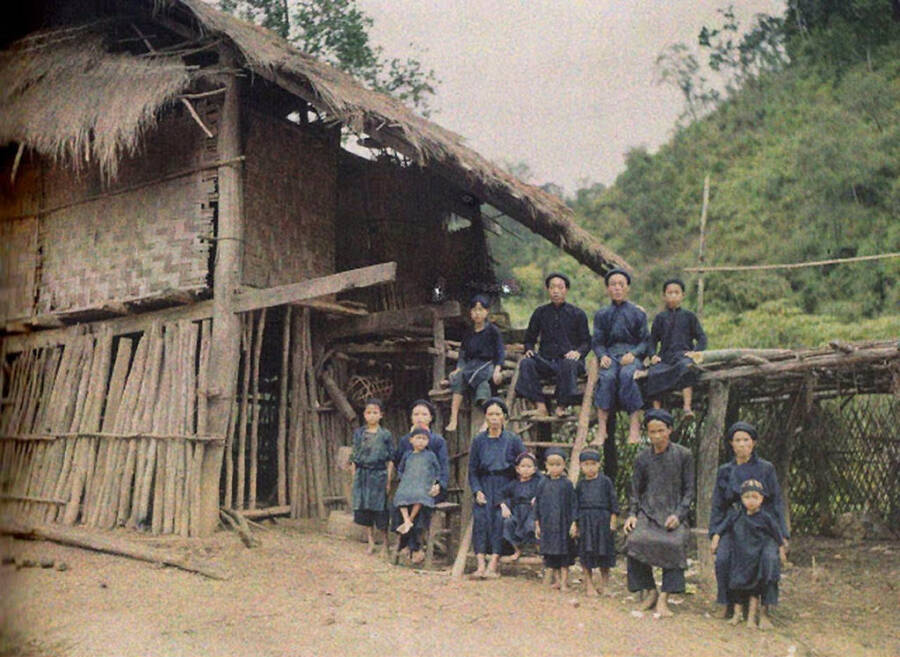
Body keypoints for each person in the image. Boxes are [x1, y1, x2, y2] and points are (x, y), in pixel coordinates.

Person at [709, 421, 789, 620]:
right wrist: (716, 533)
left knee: (769, 558)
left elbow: (777, 502)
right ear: (731, 444)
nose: (742, 444)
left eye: (746, 440)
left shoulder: (766, 469)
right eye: (737, 440)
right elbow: (718, 505)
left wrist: (782, 535)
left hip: (762, 524)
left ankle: (765, 608)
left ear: (753, 443)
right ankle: (726, 602)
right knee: (724, 558)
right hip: (735, 523)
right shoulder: (725, 471)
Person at [623, 409, 694, 617]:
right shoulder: (642, 457)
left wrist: (679, 515)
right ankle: (650, 591)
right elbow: (636, 490)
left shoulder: (684, 455)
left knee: (675, 543)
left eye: (660, 431)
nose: (656, 436)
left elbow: (689, 491)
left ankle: (664, 598)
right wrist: (633, 514)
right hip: (649, 512)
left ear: (669, 430)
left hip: (673, 512)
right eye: (652, 432)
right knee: (634, 540)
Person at [515, 272, 590, 418]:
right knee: (527, 363)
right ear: (548, 290)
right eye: (552, 287)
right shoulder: (540, 313)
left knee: (568, 364)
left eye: (560, 287)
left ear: (566, 290)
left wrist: (578, 352)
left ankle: (561, 407)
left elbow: (587, 342)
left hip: (570, 363)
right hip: (546, 362)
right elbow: (529, 339)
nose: (556, 291)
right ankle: (540, 406)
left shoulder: (578, 314)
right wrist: (529, 349)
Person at [715, 478, 786, 630]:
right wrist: (716, 537)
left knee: (754, 589)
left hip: (755, 557)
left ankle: (752, 618)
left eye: (755, 497)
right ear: (741, 498)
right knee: (737, 587)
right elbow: (722, 527)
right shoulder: (736, 515)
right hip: (740, 558)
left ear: (762, 499)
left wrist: (781, 548)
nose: (751, 501)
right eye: (747, 497)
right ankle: (737, 614)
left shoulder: (766, 517)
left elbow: (777, 533)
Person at [592, 268, 650, 445]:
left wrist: (633, 354)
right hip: (611, 355)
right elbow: (597, 341)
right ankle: (602, 431)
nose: (617, 288)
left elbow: (646, 341)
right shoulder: (602, 314)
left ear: (627, 288)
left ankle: (634, 428)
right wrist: (602, 355)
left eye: (621, 285)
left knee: (627, 376)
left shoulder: (638, 313)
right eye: (613, 285)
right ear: (607, 289)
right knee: (606, 377)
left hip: (631, 356)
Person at [468, 397, 525, 578]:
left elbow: (524, 464)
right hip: (484, 484)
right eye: (490, 414)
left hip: (505, 485)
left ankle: (493, 564)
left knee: (500, 520)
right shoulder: (479, 441)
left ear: (504, 418)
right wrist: (477, 490)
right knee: (481, 520)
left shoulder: (512, 440)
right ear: (485, 417)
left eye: (497, 414)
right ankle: (480, 565)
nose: (494, 417)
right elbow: (472, 470)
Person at [393, 400, 450, 564]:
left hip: (431, 488)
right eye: (416, 414)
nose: (420, 418)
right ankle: (406, 543)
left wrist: (439, 484)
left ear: (431, 418)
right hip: (410, 486)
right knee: (401, 502)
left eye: (424, 414)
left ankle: (414, 546)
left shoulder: (437, 441)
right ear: (411, 418)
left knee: (422, 502)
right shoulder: (406, 441)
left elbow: (444, 467)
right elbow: (399, 463)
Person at [645, 278, 707, 415]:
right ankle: (657, 412)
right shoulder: (660, 318)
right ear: (664, 296)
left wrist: (695, 353)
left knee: (687, 367)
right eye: (669, 293)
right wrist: (653, 355)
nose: (673, 295)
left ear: (682, 295)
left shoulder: (689, 316)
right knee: (654, 373)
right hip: (665, 358)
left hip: (683, 356)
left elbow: (702, 338)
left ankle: (687, 407)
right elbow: (652, 340)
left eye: (676, 292)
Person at [445, 294, 505, 432]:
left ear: (486, 312)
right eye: (474, 310)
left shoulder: (493, 331)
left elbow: (500, 352)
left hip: (486, 365)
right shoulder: (468, 332)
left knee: (483, 384)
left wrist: (497, 369)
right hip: (471, 366)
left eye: (480, 310)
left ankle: (486, 420)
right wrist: (459, 368)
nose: (477, 313)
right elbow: (463, 353)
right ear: (470, 313)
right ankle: (453, 418)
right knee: (459, 378)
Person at [349, 399, 394, 555]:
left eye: (375, 412)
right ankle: (371, 542)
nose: (372, 415)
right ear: (364, 414)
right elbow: (354, 458)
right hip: (362, 476)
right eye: (369, 412)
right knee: (365, 509)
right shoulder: (359, 434)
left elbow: (390, 460)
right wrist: (354, 478)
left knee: (380, 510)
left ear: (381, 415)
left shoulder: (385, 435)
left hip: (379, 475)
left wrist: (388, 481)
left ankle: (385, 544)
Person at [574, 448, 619, 596]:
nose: (590, 467)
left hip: (603, 520)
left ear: (599, 465)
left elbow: (613, 500)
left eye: (593, 464)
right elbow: (575, 505)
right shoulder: (580, 485)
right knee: (586, 553)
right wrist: (575, 524)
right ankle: (589, 585)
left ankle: (605, 584)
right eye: (586, 464)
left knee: (604, 552)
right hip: (585, 520)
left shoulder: (605, 481)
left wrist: (613, 519)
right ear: (581, 466)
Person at [534, 447, 578, 591]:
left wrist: (573, 523)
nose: (554, 468)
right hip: (548, 525)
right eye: (551, 465)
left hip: (563, 525)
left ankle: (565, 582)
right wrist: (537, 524)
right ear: (546, 465)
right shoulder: (542, 484)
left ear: (564, 465)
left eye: (558, 465)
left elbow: (573, 504)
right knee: (551, 554)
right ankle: (557, 580)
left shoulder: (567, 484)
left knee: (564, 555)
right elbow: (538, 505)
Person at [393, 428, 441, 535]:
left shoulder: (430, 455)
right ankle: (406, 520)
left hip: (423, 482)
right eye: (418, 438)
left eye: (424, 439)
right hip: (408, 482)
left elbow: (437, 470)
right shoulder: (408, 454)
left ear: (428, 441)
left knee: (420, 495)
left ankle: (410, 519)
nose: (421, 441)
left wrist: (436, 482)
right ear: (411, 440)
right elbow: (400, 468)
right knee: (400, 495)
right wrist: (402, 478)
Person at [499, 452, 543, 562]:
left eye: (529, 466)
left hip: (532, 511)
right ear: (517, 469)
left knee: (531, 526)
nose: (526, 469)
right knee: (508, 524)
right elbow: (500, 494)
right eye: (523, 466)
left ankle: (538, 550)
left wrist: (537, 498)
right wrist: (503, 505)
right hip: (517, 511)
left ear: (534, 469)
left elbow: (546, 491)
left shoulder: (538, 482)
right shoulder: (514, 484)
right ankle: (517, 549)